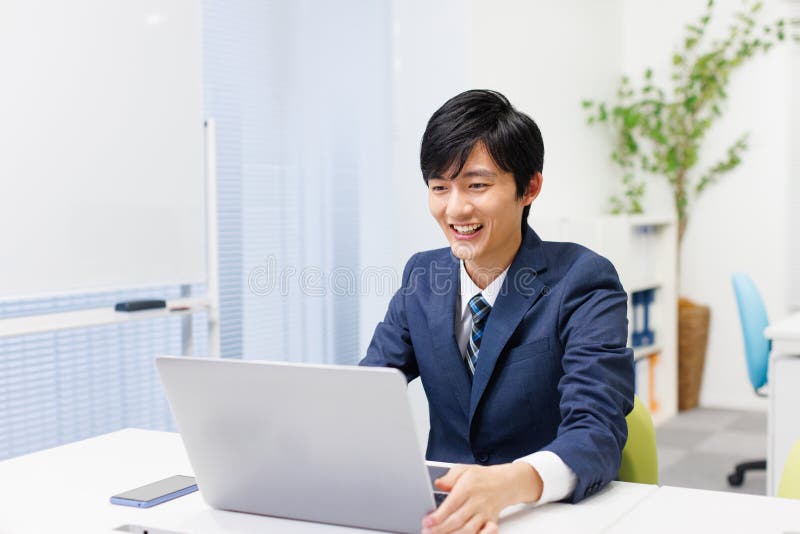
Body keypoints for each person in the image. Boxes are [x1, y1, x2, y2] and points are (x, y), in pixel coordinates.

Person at [359, 89, 634, 534]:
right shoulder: (422, 277)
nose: (455, 208)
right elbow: (368, 390)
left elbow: (597, 429)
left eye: (477, 185)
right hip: (441, 514)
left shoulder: (583, 280)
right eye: (439, 187)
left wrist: (510, 483)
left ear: (529, 188)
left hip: (541, 513)